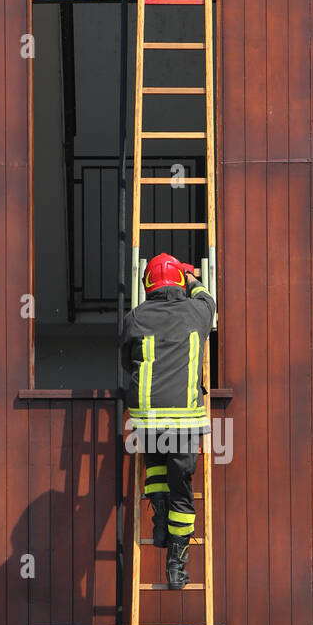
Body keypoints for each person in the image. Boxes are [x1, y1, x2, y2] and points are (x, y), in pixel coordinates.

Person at [122, 253, 216, 590]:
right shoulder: (197, 312)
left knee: (156, 467)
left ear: (146, 284)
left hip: (147, 420)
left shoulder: (135, 318)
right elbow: (207, 297)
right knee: (182, 492)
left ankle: (159, 521)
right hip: (184, 420)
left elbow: (126, 361)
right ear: (179, 282)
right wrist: (192, 277)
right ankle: (176, 567)